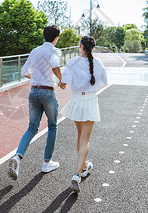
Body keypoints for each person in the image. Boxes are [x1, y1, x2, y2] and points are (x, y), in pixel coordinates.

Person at [8, 25, 63, 180]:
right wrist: (61, 80)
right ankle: (47, 163)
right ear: (56, 38)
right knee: (52, 126)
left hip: (33, 92)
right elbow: (55, 66)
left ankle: (18, 157)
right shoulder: (53, 51)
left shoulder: (35, 51)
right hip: (47, 92)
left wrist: (37, 78)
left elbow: (24, 72)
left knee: (32, 127)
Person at [58, 36, 107, 193]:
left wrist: (60, 83)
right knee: (85, 138)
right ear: (93, 48)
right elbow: (104, 81)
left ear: (80, 46)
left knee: (80, 135)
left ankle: (84, 167)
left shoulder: (72, 63)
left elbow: (64, 84)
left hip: (76, 100)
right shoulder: (98, 63)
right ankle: (78, 173)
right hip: (91, 100)